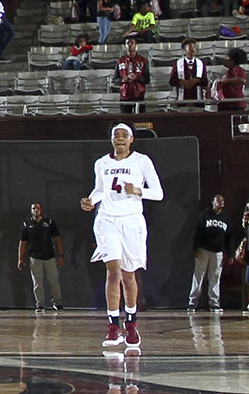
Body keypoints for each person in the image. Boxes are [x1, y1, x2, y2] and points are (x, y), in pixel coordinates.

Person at [82, 124, 162, 352]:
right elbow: (100, 190)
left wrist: (138, 190)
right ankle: (113, 326)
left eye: (124, 135)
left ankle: (131, 323)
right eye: (115, 135)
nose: (119, 138)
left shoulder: (142, 161)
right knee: (113, 271)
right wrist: (90, 201)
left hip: (132, 221)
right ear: (111, 140)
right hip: (107, 219)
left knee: (128, 275)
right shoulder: (101, 163)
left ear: (131, 139)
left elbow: (158, 193)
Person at [18, 202, 64, 312]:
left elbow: (57, 239)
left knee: (54, 280)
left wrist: (61, 255)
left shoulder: (49, 222)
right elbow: (23, 243)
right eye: (33, 208)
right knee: (37, 282)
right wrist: (20, 258)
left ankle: (58, 303)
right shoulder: (27, 224)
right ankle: (40, 304)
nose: (36, 210)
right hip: (35, 257)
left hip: (49, 256)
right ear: (31, 211)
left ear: (41, 210)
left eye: (38, 208)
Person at [190, 194, 230, 311]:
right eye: (218, 201)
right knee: (198, 275)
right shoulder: (205, 215)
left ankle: (214, 303)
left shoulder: (225, 218)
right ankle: (193, 302)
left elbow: (229, 237)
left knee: (215, 277)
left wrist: (230, 253)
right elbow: (198, 232)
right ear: (213, 202)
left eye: (222, 201)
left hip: (218, 252)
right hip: (204, 249)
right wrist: (195, 248)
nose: (221, 203)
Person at [114, 38, 149, 115]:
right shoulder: (120, 61)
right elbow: (115, 79)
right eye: (128, 43)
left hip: (139, 94)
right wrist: (123, 79)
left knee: (141, 118)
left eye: (132, 43)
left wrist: (137, 77)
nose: (130, 45)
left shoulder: (143, 61)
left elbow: (147, 79)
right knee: (125, 118)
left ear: (136, 45)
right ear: (125, 46)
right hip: (125, 94)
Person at [169, 39, 206, 106]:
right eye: (190, 48)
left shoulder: (201, 63)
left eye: (194, 47)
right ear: (185, 50)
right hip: (183, 99)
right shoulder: (178, 63)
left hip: (197, 99)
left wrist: (197, 80)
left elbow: (205, 81)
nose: (193, 50)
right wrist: (181, 81)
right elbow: (172, 81)